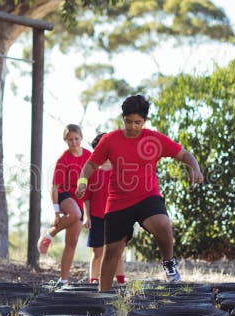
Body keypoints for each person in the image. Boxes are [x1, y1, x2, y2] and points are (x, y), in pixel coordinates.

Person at [76, 95, 203, 291]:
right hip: (118, 202)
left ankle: (169, 263)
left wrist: (195, 167)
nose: (133, 126)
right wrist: (83, 181)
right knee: (111, 252)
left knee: (163, 224)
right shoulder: (110, 140)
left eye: (137, 122)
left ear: (144, 121)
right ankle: (103, 296)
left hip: (147, 196)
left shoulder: (154, 139)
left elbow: (183, 154)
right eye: (128, 121)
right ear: (123, 118)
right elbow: (90, 165)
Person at [38, 124, 91, 285]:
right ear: (65, 140)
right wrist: (56, 212)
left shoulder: (89, 156)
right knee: (75, 214)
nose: (74, 142)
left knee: (72, 242)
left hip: (80, 199)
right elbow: (54, 187)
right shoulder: (63, 159)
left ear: (81, 138)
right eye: (70, 140)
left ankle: (63, 279)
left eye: (76, 139)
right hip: (64, 196)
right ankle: (49, 235)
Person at [83, 133, 126, 285]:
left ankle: (121, 281)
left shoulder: (120, 170)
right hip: (96, 217)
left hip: (116, 217)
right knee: (97, 252)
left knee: (117, 252)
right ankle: (93, 281)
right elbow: (86, 197)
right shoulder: (92, 172)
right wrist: (87, 216)